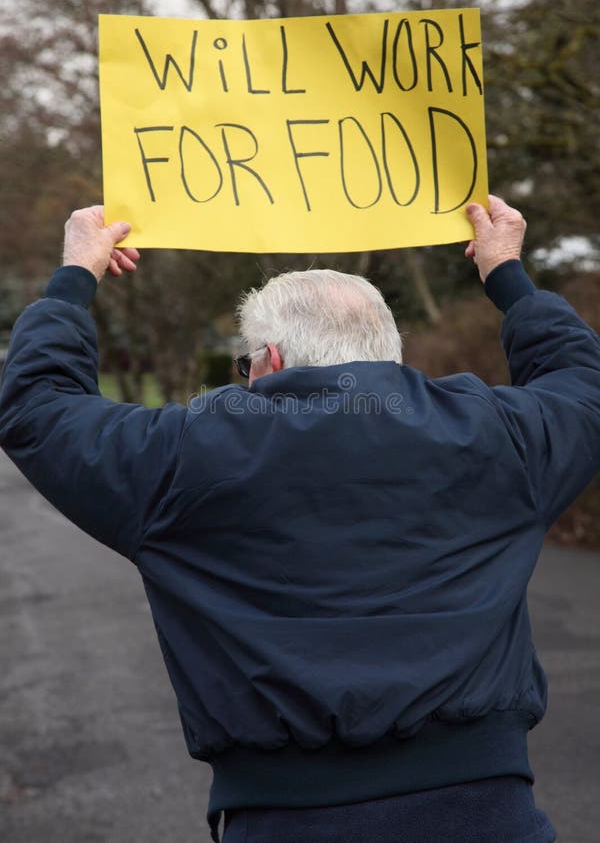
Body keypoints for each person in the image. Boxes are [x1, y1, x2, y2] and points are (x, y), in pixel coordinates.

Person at [0, 196, 599, 843]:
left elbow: (35, 406)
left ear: (272, 360)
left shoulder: (182, 456)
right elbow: (583, 381)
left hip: (283, 822)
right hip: (493, 818)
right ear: (386, 351)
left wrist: (74, 275)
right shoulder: (496, 436)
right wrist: (505, 270)